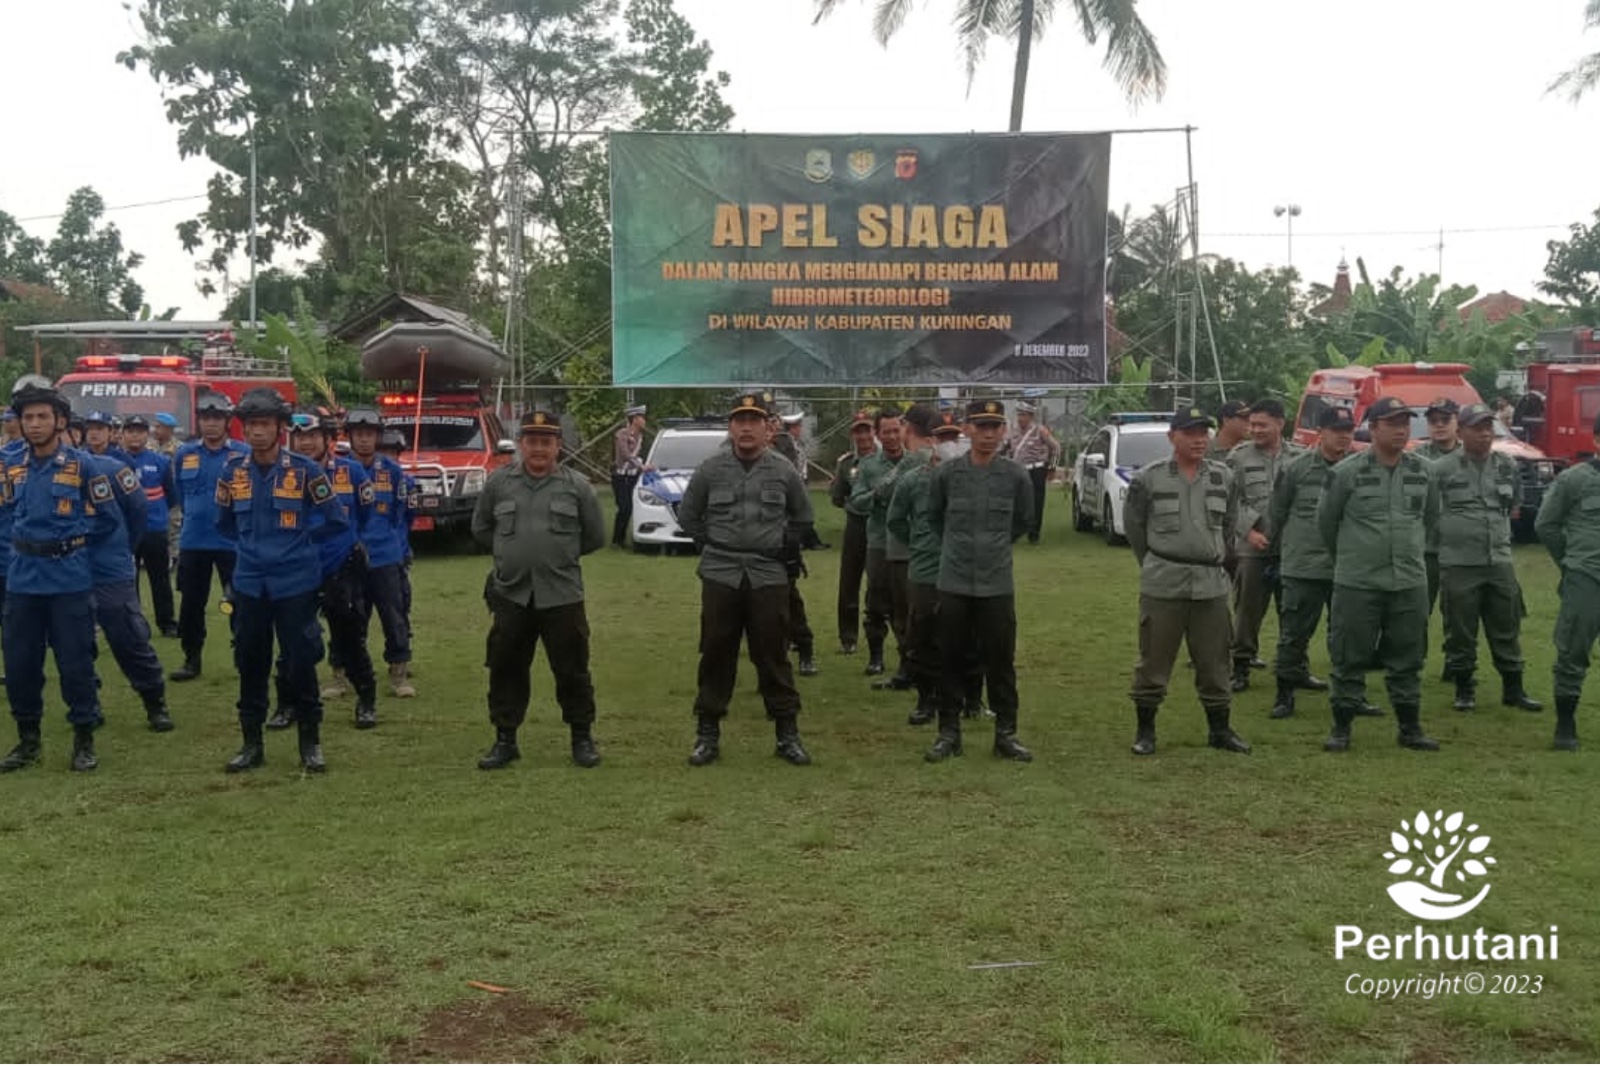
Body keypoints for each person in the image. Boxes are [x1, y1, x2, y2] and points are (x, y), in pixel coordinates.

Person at [676, 390, 814, 767]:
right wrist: (716, 543)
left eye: (755, 420)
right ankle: (707, 733)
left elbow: (803, 516)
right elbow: (688, 516)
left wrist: (784, 543)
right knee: (716, 652)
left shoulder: (783, 470)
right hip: (721, 574)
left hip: (768, 575)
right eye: (740, 420)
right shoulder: (710, 469)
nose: (747, 427)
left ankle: (787, 733)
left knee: (773, 654)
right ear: (731, 426)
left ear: (768, 428)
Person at [216, 387, 348, 773]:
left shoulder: (305, 470)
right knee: (250, 662)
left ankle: (311, 744)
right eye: (251, 425)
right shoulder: (232, 472)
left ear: (280, 428)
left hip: (295, 584)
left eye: (265, 425)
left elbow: (336, 519)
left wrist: (302, 543)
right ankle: (251, 744)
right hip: (250, 583)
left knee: (300, 661)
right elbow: (223, 524)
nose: (257, 432)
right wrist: (250, 548)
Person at [471, 409, 606, 770]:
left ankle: (582, 738)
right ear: (520, 445)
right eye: (532, 441)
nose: (539, 449)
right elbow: (482, 528)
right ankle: (505, 740)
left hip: (562, 594)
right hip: (512, 594)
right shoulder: (499, 484)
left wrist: (555, 557)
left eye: (546, 442)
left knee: (572, 669)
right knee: (506, 667)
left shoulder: (577, 485)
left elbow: (594, 537)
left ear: (558, 446)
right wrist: (512, 555)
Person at [1122, 407, 1252, 757]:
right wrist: (1153, 562)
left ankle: (1220, 730)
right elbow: (1135, 529)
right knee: (1154, 661)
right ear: (1172, 437)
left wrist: (1216, 557)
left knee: (1215, 662)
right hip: (1164, 581)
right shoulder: (1148, 479)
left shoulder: (1223, 477)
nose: (1199, 439)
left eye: (1203, 432)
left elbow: (1229, 526)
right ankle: (1146, 731)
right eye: (1190, 432)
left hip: (1210, 583)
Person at [1317, 396, 1442, 752]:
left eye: (1405, 422)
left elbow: (1431, 518)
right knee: (1348, 656)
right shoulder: (1345, 472)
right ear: (1373, 429)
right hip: (1358, 581)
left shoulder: (1425, 471)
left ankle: (1410, 727)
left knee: (1407, 656)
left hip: (1408, 581)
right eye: (1392, 422)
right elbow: (1326, 523)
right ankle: (1342, 727)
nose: (1401, 429)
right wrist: (1351, 559)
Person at [0, 376, 109, 773]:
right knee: (20, 662)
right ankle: (28, 740)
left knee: (75, 662)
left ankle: (83, 738)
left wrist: (73, 545)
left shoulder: (84, 465)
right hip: (23, 578)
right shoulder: (9, 464)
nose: (34, 424)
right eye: (27, 417)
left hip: (68, 580)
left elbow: (109, 520)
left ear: (60, 421)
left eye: (43, 416)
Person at [923, 399, 1035, 763]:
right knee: (950, 658)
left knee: (1000, 661)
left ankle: (1005, 733)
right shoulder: (947, 474)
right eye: (981, 426)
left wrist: (992, 548)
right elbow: (935, 518)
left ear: (1003, 431)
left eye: (995, 427)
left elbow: (1022, 521)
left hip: (996, 583)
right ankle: (948, 733)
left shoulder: (1016, 476)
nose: (988, 434)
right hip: (954, 580)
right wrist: (960, 549)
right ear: (967, 429)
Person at [269, 410, 378, 732]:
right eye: (300, 437)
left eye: (313, 436)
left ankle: (366, 702)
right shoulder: (280, 473)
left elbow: (365, 514)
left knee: (349, 638)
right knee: (291, 639)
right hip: (296, 567)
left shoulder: (352, 471)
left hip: (340, 567)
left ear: (329, 440)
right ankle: (286, 705)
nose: (306, 443)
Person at [1435, 403, 1543, 713]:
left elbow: (1514, 504)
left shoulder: (1506, 465)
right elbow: (1427, 511)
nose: (1484, 434)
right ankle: (1464, 688)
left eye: (1488, 428)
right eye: (1477, 428)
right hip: (1459, 563)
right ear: (1461, 431)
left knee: (1506, 625)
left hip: (1498, 561)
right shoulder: (1441, 469)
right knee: (1460, 630)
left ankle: (1514, 688)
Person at [1267, 406, 1367, 720]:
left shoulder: (1362, 468)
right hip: (1304, 566)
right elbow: (1277, 512)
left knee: (1350, 635)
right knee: (1294, 633)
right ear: (1321, 432)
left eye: (1348, 430)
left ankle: (1353, 695)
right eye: (1337, 430)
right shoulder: (1296, 468)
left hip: (1348, 566)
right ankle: (1285, 694)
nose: (1344, 436)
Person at [82, 434, 173, 734]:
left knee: (128, 637)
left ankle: (154, 702)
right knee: (75, 643)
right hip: (68, 570)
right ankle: (87, 704)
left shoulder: (110, 468)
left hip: (110, 568)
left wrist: (124, 547)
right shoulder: (40, 469)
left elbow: (139, 509)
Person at [171, 392, 249, 682]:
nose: (211, 424)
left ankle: (243, 656)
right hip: (193, 541)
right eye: (206, 419)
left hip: (231, 542)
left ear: (227, 422)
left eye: (217, 419)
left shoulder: (242, 453)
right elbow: (180, 492)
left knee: (237, 601)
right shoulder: (185, 454)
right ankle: (191, 658)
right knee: (191, 604)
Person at [1535, 411, 1600, 751]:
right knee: (1573, 650)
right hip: (1586, 577)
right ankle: (1565, 724)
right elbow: (1546, 525)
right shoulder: (1574, 480)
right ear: (1597, 441)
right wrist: (1571, 562)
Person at [887, 407, 954, 726]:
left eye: (954, 439)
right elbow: (896, 520)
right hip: (925, 568)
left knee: (966, 638)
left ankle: (969, 699)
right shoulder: (913, 479)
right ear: (931, 441)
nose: (947, 445)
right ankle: (926, 700)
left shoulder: (970, 479)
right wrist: (918, 543)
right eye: (942, 439)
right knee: (922, 637)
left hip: (962, 570)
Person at [1226, 398, 1297, 691]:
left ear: (1280, 423)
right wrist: (1249, 530)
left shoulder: (1300, 456)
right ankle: (1241, 666)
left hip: (1291, 550)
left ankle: (1293, 667)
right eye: (1251, 424)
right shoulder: (1238, 457)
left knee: (1292, 610)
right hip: (1252, 549)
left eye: (1261, 424)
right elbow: (1229, 501)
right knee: (1247, 611)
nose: (1254, 430)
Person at [344, 408, 415, 699]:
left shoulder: (392, 471)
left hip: (386, 556)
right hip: (349, 557)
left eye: (369, 435)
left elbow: (404, 514)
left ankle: (399, 674)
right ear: (349, 437)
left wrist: (396, 547)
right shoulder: (338, 470)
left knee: (393, 616)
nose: (363, 440)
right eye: (358, 435)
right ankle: (342, 675)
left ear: (377, 437)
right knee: (348, 618)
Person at [848, 407, 909, 678]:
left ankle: (908, 659)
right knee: (876, 600)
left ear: (904, 430)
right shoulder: (869, 465)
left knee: (906, 603)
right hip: (880, 541)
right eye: (887, 432)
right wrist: (876, 492)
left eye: (897, 430)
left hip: (909, 542)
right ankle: (875, 657)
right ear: (877, 434)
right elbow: (856, 502)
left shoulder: (916, 462)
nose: (893, 437)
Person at [768, 414, 817, 677]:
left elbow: (800, 505)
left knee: (789, 600)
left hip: (782, 539)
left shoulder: (785, 449)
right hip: (753, 544)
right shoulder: (739, 454)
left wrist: (791, 541)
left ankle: (804, 647)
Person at [121, 414, 179, 637]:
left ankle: (167, 623)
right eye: (131, 430)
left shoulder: (161, 461)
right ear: (123, 434)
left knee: (160, 579)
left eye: (140, 431)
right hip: (126, 531)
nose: (135, 435)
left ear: (147, 434)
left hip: (154, 529)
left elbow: (172, 496)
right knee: (129, 579)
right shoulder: (116, 462)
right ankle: (133, 624)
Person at [1417, 397, 1462, 679]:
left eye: (1445, 419)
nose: (1439, 425)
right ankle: (1413, 662)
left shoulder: (1471, 457)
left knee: (1457, 613)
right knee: (1417, 611)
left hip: (1459, 550)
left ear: (1457, 422)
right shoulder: (1416, 459)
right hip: (1424, 548)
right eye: (1434, 420)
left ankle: (1454, 664)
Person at [830, 409, 877, 654]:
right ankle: (848, 637)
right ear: (853, 435)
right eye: (859, 431)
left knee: (880, 582)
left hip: (880, 525)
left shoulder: (886, 460)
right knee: (849, 581)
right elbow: (837, 497)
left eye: (867, 430)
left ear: (874, 432)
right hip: (856, 525)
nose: (863, 436)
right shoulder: (846, 463)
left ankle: (877, 633)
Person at [1004, 401, 1060, 544]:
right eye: (1019, 415)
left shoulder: (1040, 430)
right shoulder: (1012, 430)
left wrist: (1051, 468)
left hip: (1036, 470)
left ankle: (1034, 534)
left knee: (1036, 502)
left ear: (1031, 416)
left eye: (1024, 415)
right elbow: (1005, 448)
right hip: (1018, 470)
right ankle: (1014, 532)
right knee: (1016, 501)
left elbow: (1056, 448)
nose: (1021, 418)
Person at [611, 404, 649, 549]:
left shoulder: (640, 437)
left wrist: (644, 465)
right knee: (624, 507)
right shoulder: (621, 434)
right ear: (634, 419)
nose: (644, 420)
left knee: (631, 507)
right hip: (620, 477)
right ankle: (616, 540)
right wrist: (641, 466)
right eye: (642, 417)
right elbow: (626, 454)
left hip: (633, 476)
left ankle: (623, 539)